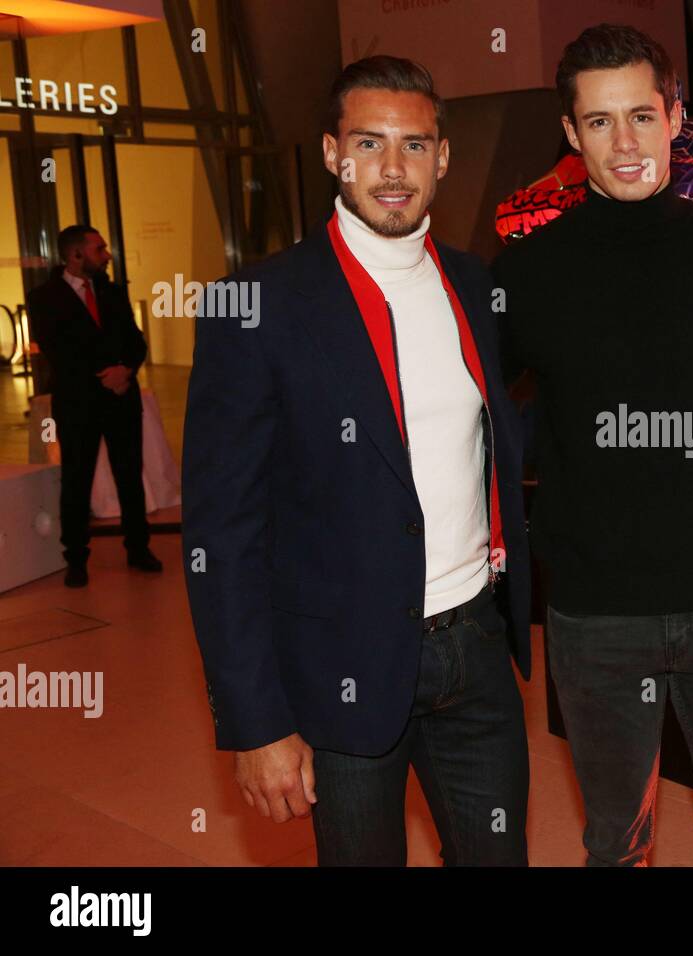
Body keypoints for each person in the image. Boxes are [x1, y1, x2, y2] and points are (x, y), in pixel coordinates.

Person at [182, 56, 530, 866]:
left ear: (443, 157)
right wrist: (256, 721)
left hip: (475, 650)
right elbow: (221, 536)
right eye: (369, 144)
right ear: (333, 152)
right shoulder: (258, 308)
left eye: (415, 145)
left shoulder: (476, 286)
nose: (394, 169)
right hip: (339, 666)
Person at [493, 23, 693, 866]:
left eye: (640, 116)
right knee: (613, 845)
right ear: (570, 133)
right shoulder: (528, 270)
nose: (623, 143)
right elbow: (471, 412)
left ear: (675, 118)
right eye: (598, 122)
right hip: (594, 614)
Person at [27, 225, 161, 587]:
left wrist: (126, 370)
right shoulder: (44, 298)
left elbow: (135, 340)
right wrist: (104, 376)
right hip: (78, 402)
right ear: (75, 255)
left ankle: (138, 547)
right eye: (99, 249)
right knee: (77, 479)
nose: (106, 254)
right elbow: (58, 351)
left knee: (129, 474)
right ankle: (76, 558)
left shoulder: (113, 292)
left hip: (121, 398)